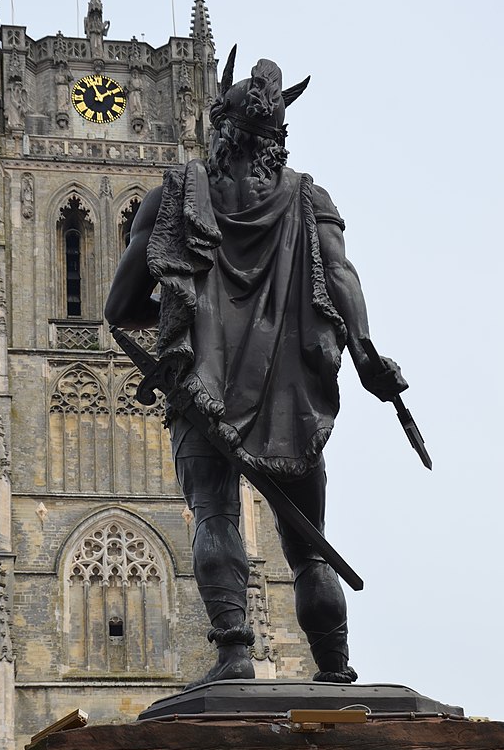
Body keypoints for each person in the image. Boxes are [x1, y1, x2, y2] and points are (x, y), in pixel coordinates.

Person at [105, 49, 408, 686]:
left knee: (214, 516)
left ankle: (235, 653)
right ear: (277, 139)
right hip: (291, 401)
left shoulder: (172, 197)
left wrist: (174, 326)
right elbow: (343, 278)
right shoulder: (310, 198)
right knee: (308, 547)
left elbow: (119, 307)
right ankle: (336, 671)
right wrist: (367, 353)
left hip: (204, 391)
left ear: (219, 131)